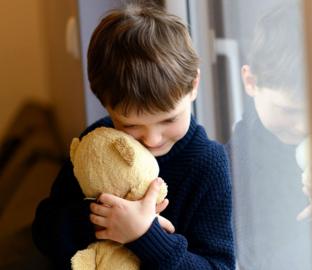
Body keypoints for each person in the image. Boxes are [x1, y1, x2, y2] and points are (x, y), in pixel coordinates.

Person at [32, 2, 234, 269]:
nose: (152, 140)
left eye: (169, 119)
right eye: (131, 126)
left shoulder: (208, 164)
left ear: (194, 85)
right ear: (105, 103)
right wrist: (100, 220)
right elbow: (43, 232)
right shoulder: (97, 144)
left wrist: (144, 236)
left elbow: (218, 266)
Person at [225, 1, 312, 269]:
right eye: (288, 111)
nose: (303, 126)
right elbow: (258, 261)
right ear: (250, 82)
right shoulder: (237, 167)